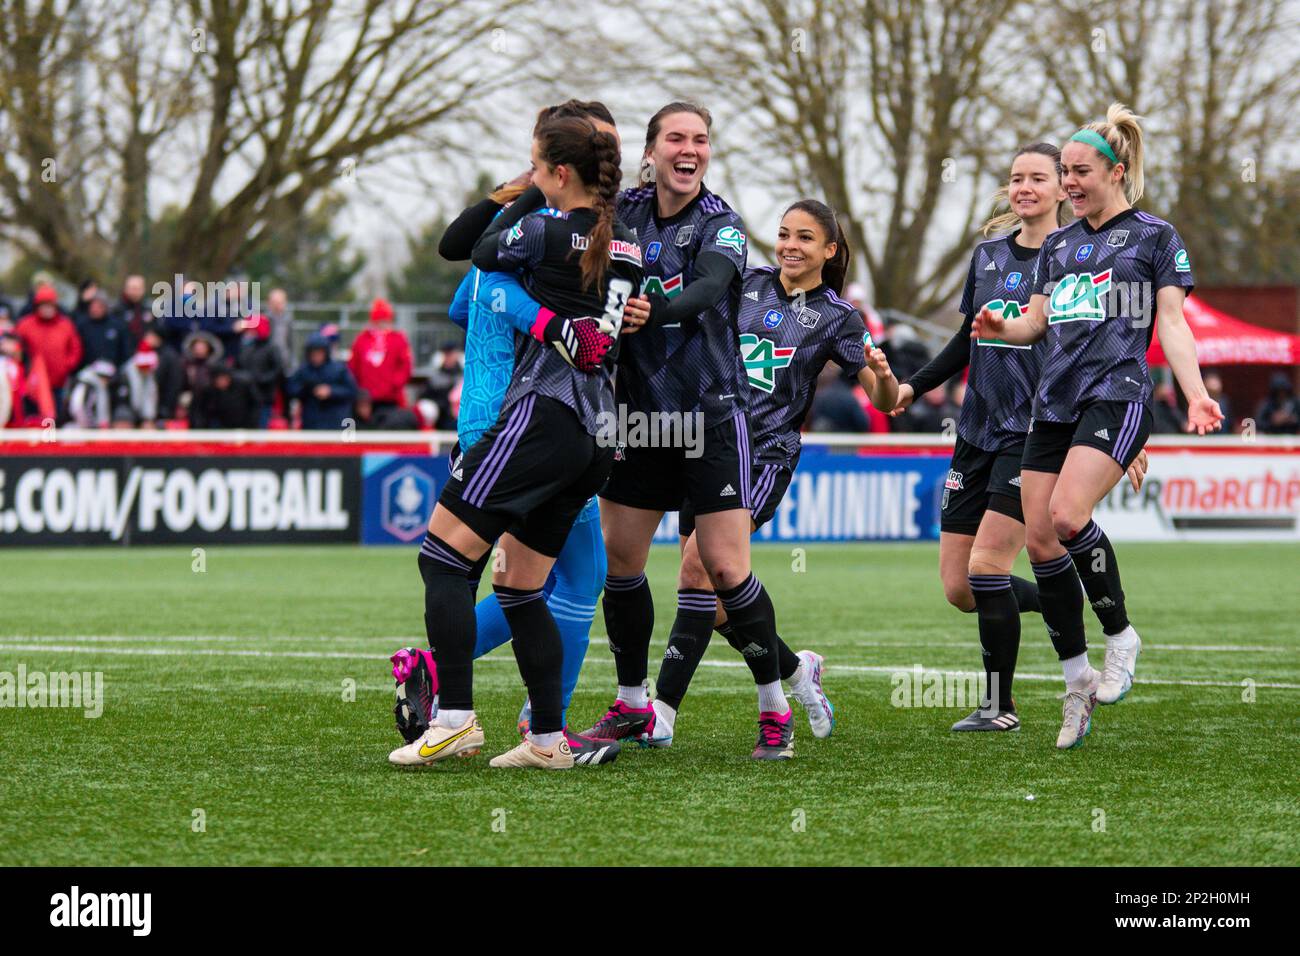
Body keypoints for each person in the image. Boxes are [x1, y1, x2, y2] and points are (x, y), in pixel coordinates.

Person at [388, 113, 640, 771]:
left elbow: (477, 256)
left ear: (558, 172)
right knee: (524, 587)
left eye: (537, 163)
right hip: (598, 434)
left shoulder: (542, 227)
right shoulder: (628, 243)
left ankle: (454, 720)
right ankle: (549, 741)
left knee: (442, 559)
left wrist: (521, 201)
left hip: (539, 418)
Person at [973, 105, 1222, 749]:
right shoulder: (1058, 245)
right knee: (1039, 543)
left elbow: (1172, 323)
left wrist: (1194, 395)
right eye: (1065, 172)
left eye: (1079, 171)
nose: (1070, 182)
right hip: (1052, 403)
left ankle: (1121, 636)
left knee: (1066, 516)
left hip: (1116, 395)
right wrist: (1004, 329)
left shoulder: (1154, 236)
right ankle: (1076, 681)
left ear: (1116, 170)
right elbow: (1037, 323)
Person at [576, 102, 794, 760]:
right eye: (676, 137)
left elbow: (707, 290)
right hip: (638, 419)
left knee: (725, 569)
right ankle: (634, 704)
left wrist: (654, 309)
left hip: (710, 417)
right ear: (653, 149)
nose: (689, 148)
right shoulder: (625, 214)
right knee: (623, 563)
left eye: (700, 138)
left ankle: (775, 704)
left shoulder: (721, 223)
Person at [645, 199, 898, 747]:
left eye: (805, 237)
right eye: (784, 234)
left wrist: (880, 378)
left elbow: (886, 395)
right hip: (709, 443)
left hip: (764, 454)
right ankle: (792, 675)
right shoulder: (747, 282)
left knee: (698, 570)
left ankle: (666, 713)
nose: (790, 245)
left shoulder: (838, 315)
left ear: (829, 251)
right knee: (711, 599)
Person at [16, 284, 81, 419]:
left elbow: (75, 349)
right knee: (33, 419)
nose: (47, 309)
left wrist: (66, 365)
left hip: (58, 384)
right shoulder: (25, 325)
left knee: (54, 420)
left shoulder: (65, 325)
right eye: (43, 305)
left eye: (50, 305)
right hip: (33, 386)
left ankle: (51, 440)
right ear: (37, 306)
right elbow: (16, 347)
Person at [347, 298, 413, 412]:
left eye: (384, 320)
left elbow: (405, 367)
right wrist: (359, 390)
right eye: (378, 321)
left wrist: (394, 385)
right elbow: (353, 366)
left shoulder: (398, 339)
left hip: (391, 399)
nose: (381, 324)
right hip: (366, 399)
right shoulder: (362, 339)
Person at [286, 333, 357, 430]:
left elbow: (351, 390)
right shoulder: (304, 370)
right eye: (313, 353)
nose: (316, 356)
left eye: (319, 352)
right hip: (311, 421)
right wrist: (307, 389)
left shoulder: (338, 369)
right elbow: (291, 389)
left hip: (335, 421)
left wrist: (331, 391)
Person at [235, 313, 286, 427]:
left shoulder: (271, 348)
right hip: (247, 396)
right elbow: (239, 366)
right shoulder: (245, 347)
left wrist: (262, 379)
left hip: (264, 395)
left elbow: (277, 370)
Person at [190, 361, 260, 429]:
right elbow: (199, 409)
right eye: (218, 380)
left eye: (224, 379)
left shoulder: (244, 384)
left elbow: (255, 404)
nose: (222, 382)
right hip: (220, 425)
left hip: (245, 423)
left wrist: (252, 425)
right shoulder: (207, 389)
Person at [75, 292, 133, 370]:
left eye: (99, 306)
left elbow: (125, 352)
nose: (95, 309)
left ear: (105, 308)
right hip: (84, 371)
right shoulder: (82, 324)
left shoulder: (116, 326)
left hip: (109, 374)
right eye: (93, 306)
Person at [112, 274, 154, 343]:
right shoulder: (117, 310)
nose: (134, 292)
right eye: (131, 288)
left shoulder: (150, 309)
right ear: (125, 289)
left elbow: (158, 331)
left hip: (145, 350)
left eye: (137, 288)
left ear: (143, 289)